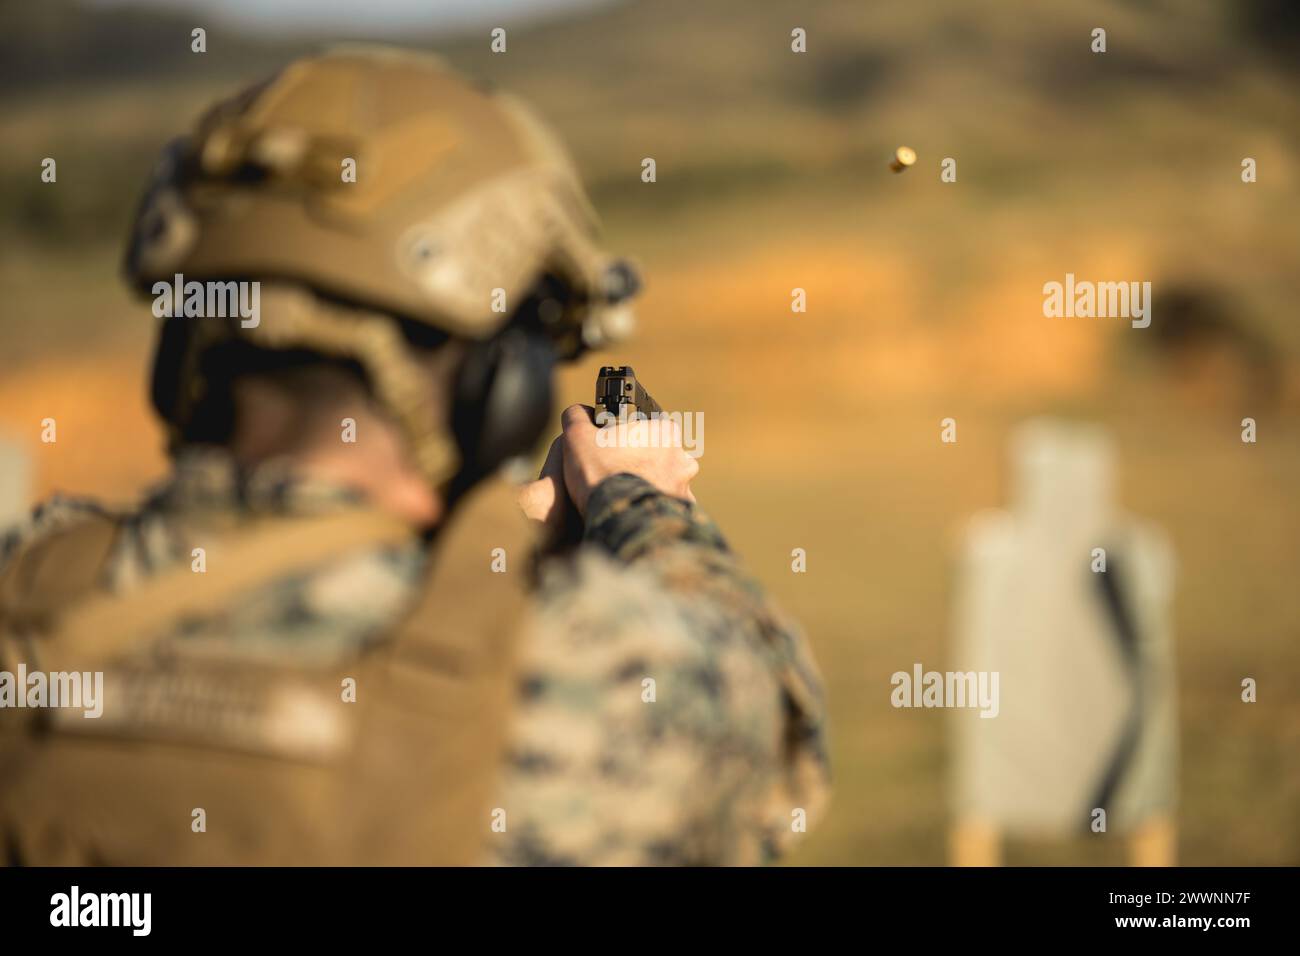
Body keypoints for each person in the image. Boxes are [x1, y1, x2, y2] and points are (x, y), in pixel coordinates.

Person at [0, 46, 828, 865]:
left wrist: (496, 537)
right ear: (500, 389)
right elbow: (775, 740)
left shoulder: (28, 586)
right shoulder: (581, 677)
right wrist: (643, 501)